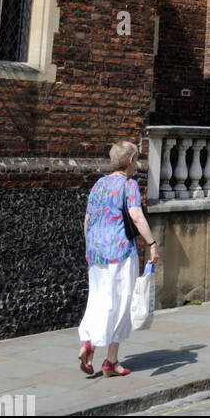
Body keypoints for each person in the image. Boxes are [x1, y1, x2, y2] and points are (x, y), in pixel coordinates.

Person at [77, 141, 159, 377]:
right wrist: (152, 244)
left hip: (96, 252)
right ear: (131, 161)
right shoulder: (129, 184)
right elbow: (136, 217)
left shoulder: (98, 185)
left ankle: (89, 342)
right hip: (121, 251)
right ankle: (110, 361)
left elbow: (87, 219)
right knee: (121, 304)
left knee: (99, 299)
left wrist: (89, 245)